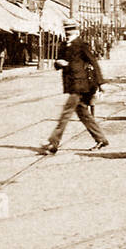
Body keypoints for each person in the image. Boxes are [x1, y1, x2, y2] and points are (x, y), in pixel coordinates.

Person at [42, 19, 108, 154]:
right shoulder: (63, 45)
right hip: (71, 83)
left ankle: (53, 143)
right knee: (83, 114)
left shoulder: (81, 44)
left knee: (66, 113)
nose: (68, 33)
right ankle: (101, 139)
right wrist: (58, 63)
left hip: (80, 84)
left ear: (76, 31)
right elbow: (59, 63)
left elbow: (93, 62)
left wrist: (101, 83)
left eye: (70, 30)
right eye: (66, 30)